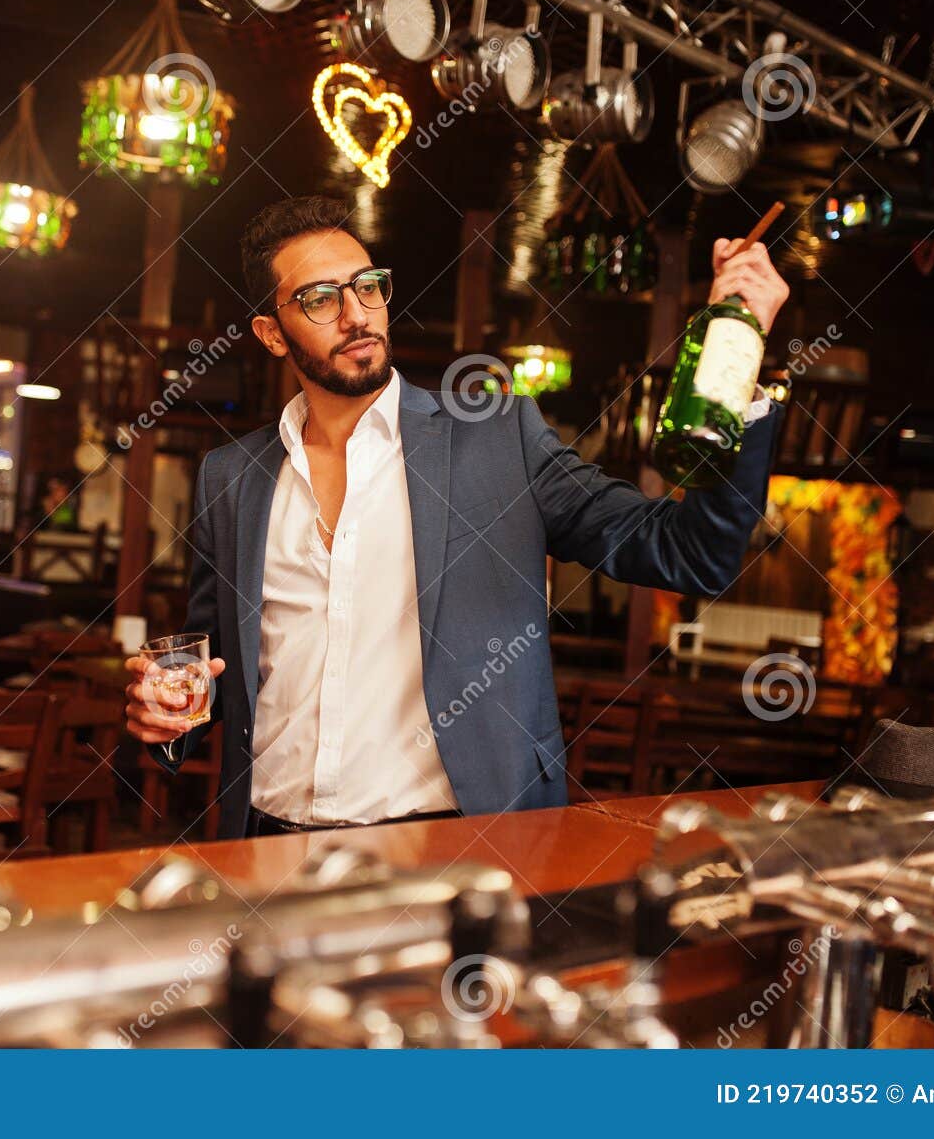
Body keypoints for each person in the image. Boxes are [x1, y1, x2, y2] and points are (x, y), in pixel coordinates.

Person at [125, 195, 789, 839]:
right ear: (272, 333)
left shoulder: (498, 441)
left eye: (369, 287)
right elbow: (211, 673)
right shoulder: (230, 477)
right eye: (320, 299)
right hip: (268, 845)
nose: (357, 314)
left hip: (452, 849)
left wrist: (737, 361)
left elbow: (693, 553)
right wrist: (170, 717)